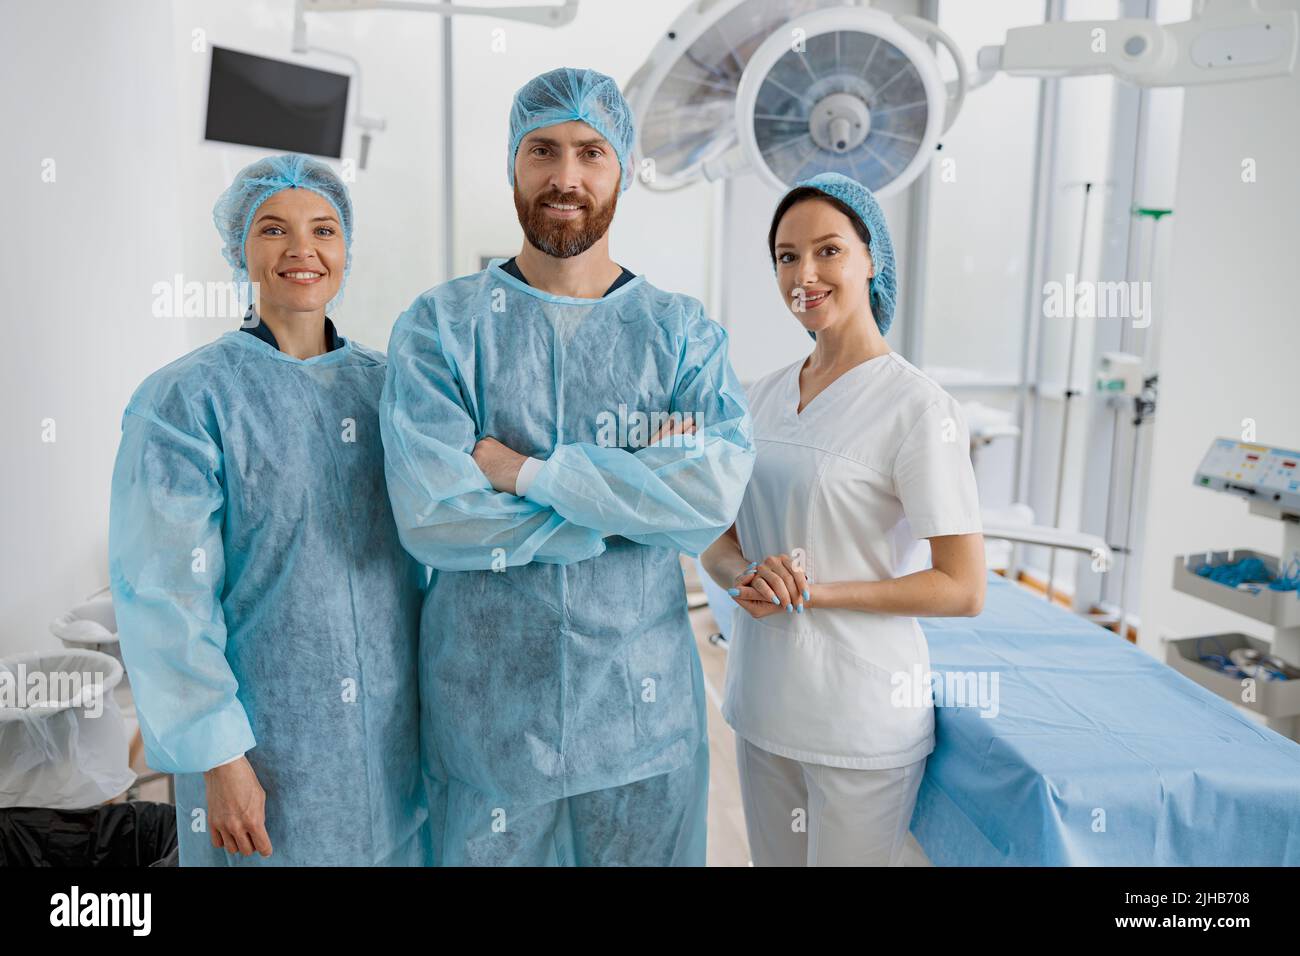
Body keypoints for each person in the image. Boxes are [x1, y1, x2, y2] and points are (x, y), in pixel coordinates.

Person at [380, 67, 754, 866]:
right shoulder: (440, 330)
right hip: (488, 727)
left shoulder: (681, 335)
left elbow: (706, 498)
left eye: (591, 152)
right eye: (542, 151)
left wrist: (520, 472)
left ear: (622, 170)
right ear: (511, 166)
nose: (566, 177)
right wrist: (627, 494)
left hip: (640, 724)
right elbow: (435, 518)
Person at [109, 153, 428, 866]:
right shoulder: (187, 402)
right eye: (273, 230)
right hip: (265, 757)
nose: (301, 250)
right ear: (238, 250)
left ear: (347, 249)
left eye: (323, 229)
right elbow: (165, 599)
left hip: (396, 751)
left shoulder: (392, 392)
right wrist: (220, 758)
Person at [702, 172, 986, 867]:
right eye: (787, 256)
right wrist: (750, 575)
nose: (806, 273)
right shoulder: (756, 398)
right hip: (764, 701)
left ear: (871, 258)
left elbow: (962, 586)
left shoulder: (916, 409)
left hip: (860, 719)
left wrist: (812, 592)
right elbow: (718, 537)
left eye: (829, 250)